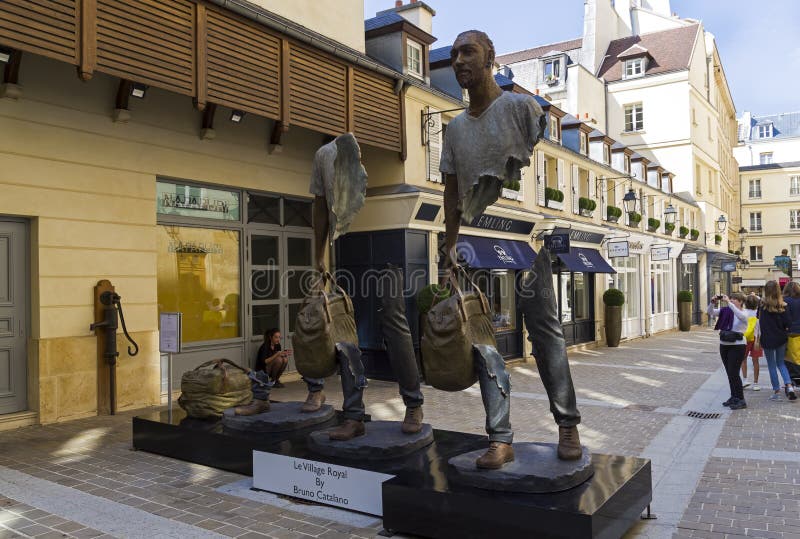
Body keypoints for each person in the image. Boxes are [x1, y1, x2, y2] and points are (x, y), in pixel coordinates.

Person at [440, 29, 581, 468]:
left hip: (526, 242)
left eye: (469, 52)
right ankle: (499, 437)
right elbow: (450, 190)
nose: (459, 61)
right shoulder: (456, 130)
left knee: (545, 333)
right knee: (481, 342)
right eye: (454, 55)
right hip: (473, 244)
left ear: (490, 58)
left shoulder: (522, 109)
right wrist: (449, 244)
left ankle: (567, 423)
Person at [708, 293, 751, 409]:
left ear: (741, 301)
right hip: (724, 345)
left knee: (734, 373)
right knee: (730, 373)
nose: (732, 300)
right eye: (731, 298)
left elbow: (740, 316)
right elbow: (710, 312)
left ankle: (741, 399)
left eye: (735, 299)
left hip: (737, 346)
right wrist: (712, 303)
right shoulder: (725, 310)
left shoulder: (744, 312)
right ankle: (734, 397)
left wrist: (728, 303)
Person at [757, 280, 797, 401]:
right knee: (781, 363)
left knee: (771, 365)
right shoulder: (783, 305)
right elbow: (789, 323)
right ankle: (789, 386)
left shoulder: (762, 305)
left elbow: (759, 321)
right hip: (781, 338)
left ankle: (776, 392)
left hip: (768, 339)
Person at [740, 294, 762, 391]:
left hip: (745, 339)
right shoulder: (758, 313)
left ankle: (745, 380)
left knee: (743, 360)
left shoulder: (743, 312)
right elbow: (760, 328)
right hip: (756, 339)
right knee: (756, 361)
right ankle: (756, 383)